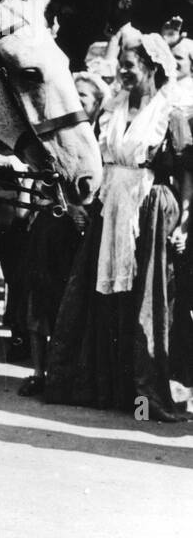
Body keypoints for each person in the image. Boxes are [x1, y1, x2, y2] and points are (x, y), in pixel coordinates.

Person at [47, 33, 193, 421]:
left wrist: (184, 223)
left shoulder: (170, 114)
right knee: (101, 296)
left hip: (148, 206)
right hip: (109, 203)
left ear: (152, 67)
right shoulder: (111, 108)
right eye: (122, 65)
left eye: (130, 66)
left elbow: (186, 176)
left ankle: (142, 395)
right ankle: (103, 387)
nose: (123, 73)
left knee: (143, 298)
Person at [15, 72, 107, 397]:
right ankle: (40, 372)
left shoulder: (100, 139)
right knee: (39, 297)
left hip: (85, 233)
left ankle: (67, 373)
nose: (77, 101)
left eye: (84, 97)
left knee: (73, 302)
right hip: (51, 226)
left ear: (97, 105)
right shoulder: (60, 136)